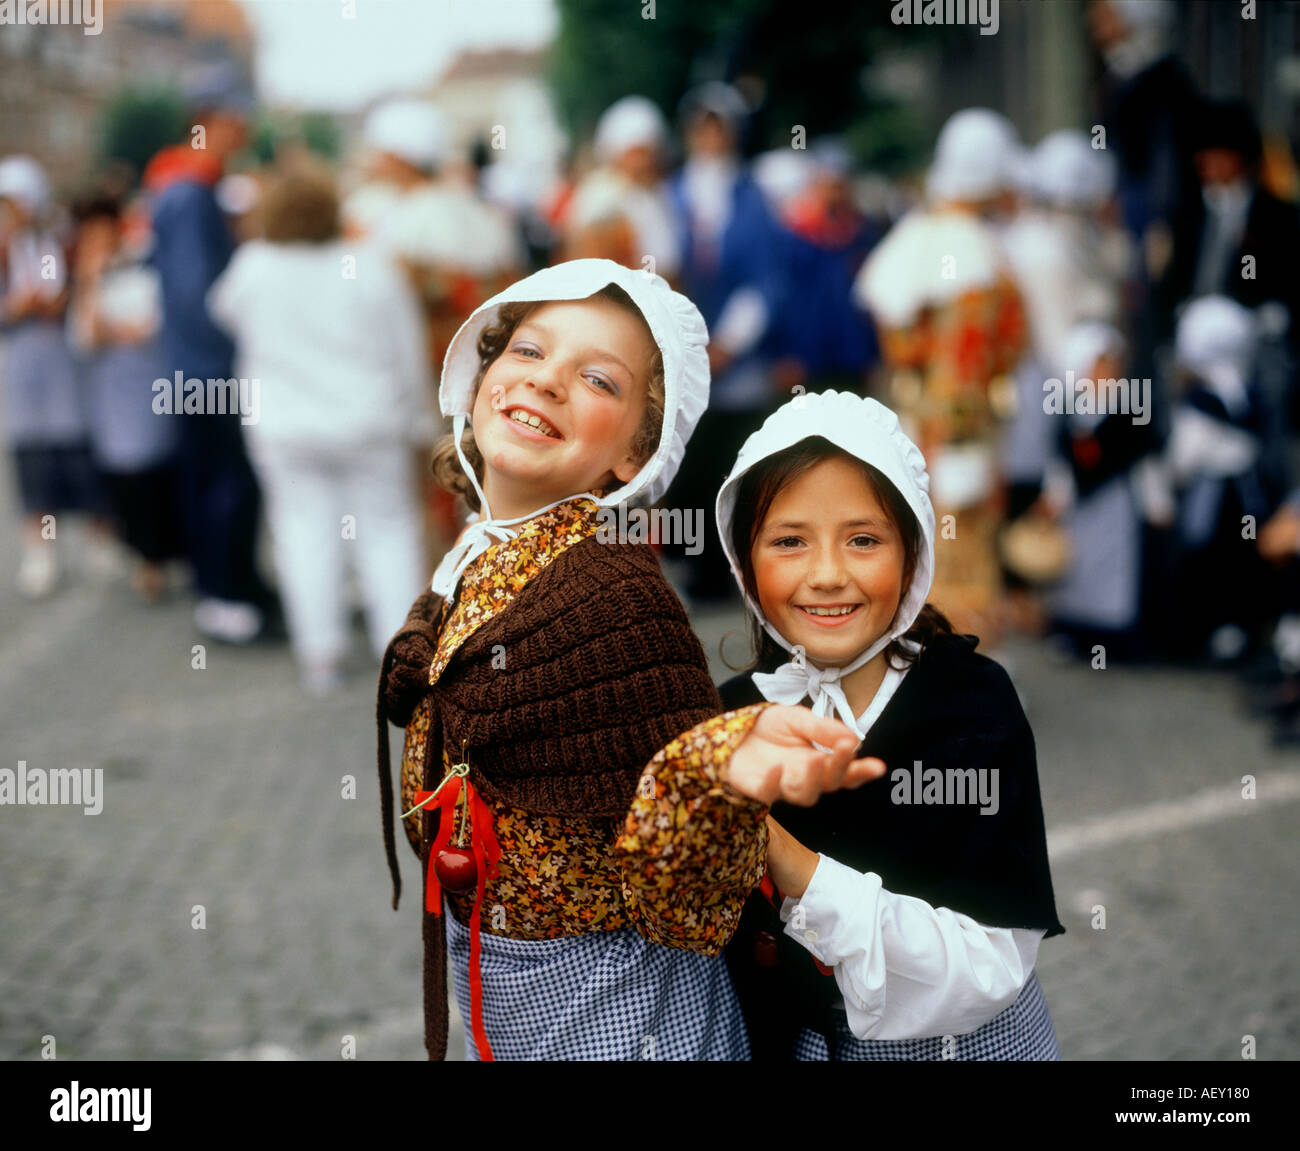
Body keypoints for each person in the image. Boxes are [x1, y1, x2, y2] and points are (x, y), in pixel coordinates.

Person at [374, 259, 881, 1061]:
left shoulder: (613, 593)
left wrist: (718, 770)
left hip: (614, 1001)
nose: (545, 382)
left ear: (633, 457)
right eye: (529, 352)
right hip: (494, 969)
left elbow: (687, 864)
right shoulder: (474, 553)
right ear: (480, 377)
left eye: (597, 380)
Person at [716, 389, 1065, 1060]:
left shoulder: (970, 704)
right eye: (789, 540)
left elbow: (988, 966)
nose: (827, 574)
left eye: (863, 539)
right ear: (743, 560)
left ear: (912, 553)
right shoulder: (734, 715)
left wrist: (784, 856)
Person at [208, 164, 433, 693]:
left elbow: (220, 311)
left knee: (303, 532)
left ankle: (320, 655)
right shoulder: (371, 265)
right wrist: (422, 422)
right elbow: (408, 352)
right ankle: (399, 657)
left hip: (286, 428)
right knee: (387, 532)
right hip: (370, 421)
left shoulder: (253, 267)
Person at [855, 108, 1029, 642]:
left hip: (911, 422)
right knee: (962, 556)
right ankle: (966, 667)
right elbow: (968, 362)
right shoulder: (970, 254)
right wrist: (959, 434)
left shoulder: (915, 236)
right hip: (960, 434)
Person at [146, 62, 272, 642]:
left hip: (191, 367)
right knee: (228, 484)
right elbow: (201, 300)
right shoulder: (193, 192)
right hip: (209, 368)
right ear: (210, 121)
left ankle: (226, 587)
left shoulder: (183, 187)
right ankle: (227, 595)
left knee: (210, 481)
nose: (243, 128)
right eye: (234, 118)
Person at [664, 82, 783, 603]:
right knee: (688, 460)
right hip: (683, 350)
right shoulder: (670, 194)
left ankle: (739, 566)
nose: (709, 135)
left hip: (739, 358)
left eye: (719, 125)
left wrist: (730, 343)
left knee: (738, 459)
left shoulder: (753, 196)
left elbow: (767, 277)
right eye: (701, 124)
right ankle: (695, 567)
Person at [0, 154, 111, 597]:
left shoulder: (62, 242)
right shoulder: (5, 251)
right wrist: (17, 308)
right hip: (23, 374)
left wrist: (58, 300)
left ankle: (98, 540)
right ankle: (41, 551)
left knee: (78, 458)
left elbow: (80, 290)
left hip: (66, 371)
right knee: (34, 466)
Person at [68, 192, 182, 602]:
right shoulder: (89, 283)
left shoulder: (145, 271)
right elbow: (89, 338)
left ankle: (163, 558)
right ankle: (146, 559)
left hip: (154, 396)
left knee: (159, 478)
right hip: (113, 405)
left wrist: (115, 331)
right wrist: (91, 281)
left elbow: (144, 330)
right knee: (127, 482)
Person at [562, 95, 682, 280]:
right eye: (636, 153)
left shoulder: (660, 194)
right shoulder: (598, 194)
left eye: (648, 152)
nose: (643, 162)